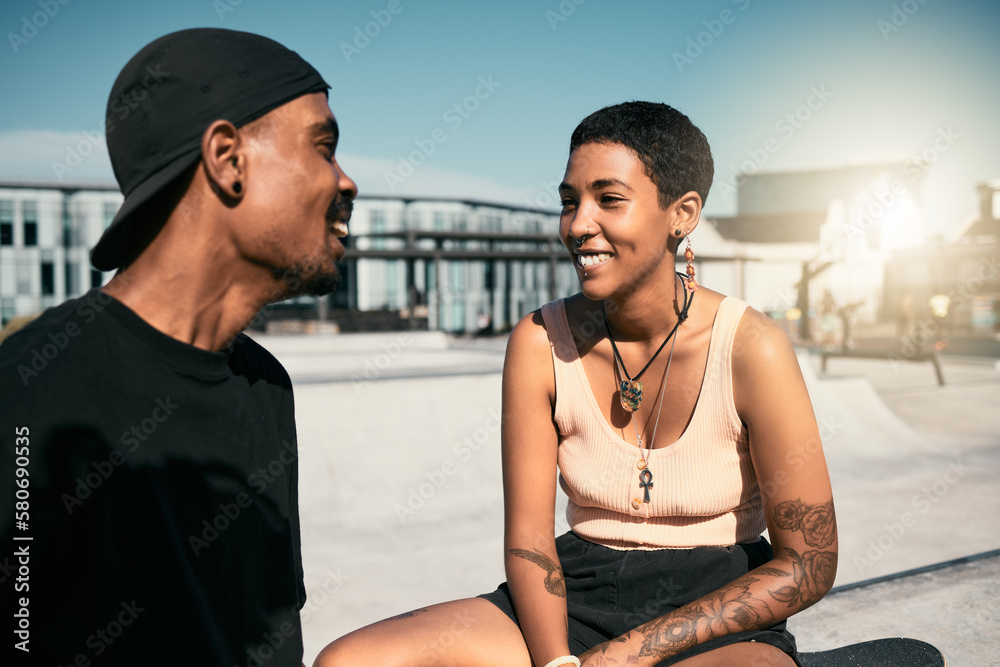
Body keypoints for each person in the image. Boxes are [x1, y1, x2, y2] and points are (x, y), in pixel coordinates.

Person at [314, 102, 837, 666]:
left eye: (609, 199)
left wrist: (626, 655)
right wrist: (559, 661)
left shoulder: (751, 346)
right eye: (569, 202)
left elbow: (810, 562)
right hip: (574, 598)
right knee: (349, 662)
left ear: (682, 214)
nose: (578, 224)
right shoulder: (540, 341)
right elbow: (529, 543)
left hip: (717, 614)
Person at [0, 28, 357, 666]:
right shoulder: (29, 392)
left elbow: (271, 629)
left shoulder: (265, 386)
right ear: (227, 159)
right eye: (324, 147)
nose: (346, 181)